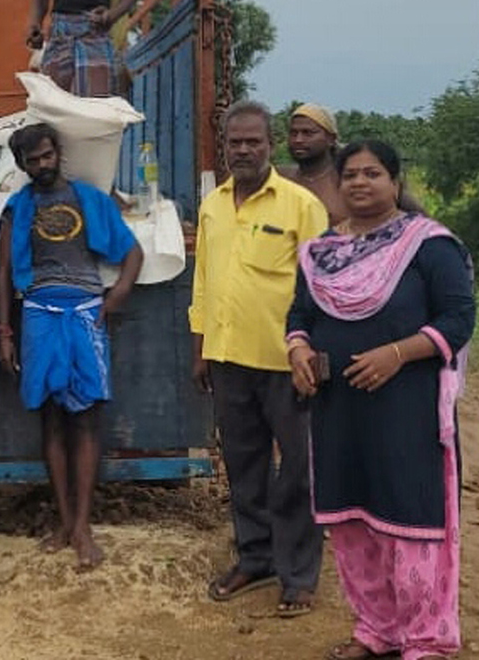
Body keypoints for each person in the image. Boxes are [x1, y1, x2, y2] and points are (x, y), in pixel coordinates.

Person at [287, 140, 475, 660]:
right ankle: (377, 631)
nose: (359, 183)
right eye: (350, 174)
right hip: (338, 410)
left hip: (406, 412)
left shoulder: (430, 247)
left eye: (372, 173)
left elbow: (458, 320)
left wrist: (396, 354)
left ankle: (425, 639)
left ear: (395, 182)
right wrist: (298, 349)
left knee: (412, 518)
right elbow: (299, 315)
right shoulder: (322, 251)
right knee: (352, 522)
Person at [188, 101, 328, 617]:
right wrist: (200, 347)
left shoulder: (300, 205)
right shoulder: (213, 206)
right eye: (234, 142)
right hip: (228, 360)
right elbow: (204, 281)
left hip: (284, 360)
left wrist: (310, 352)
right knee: (244, 466)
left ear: (270, 144)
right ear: (223, 147)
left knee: (297, 469)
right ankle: (256, 557)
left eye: (253, 141)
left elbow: (321, 288)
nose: (243, 150)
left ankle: (297, 574)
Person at [0, 123, 143, 569]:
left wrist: (117, 294)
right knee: (51, 421)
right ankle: (65, 522)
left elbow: (131, 252)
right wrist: (4, 331)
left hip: (85, 315)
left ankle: (83, 525)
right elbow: (3, 273)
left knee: (87, 419)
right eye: (31, 161)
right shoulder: (17, 208)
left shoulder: (90, 200)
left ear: (58, 153)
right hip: (39, 314)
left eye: (46, 156)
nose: (41, 165)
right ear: (21, 166)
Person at [278, 102, 345, 224]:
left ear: (331, 139)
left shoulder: (344, 182)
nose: (298, 140)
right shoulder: (280, 177)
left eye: (308, 133)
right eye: (293, 133)